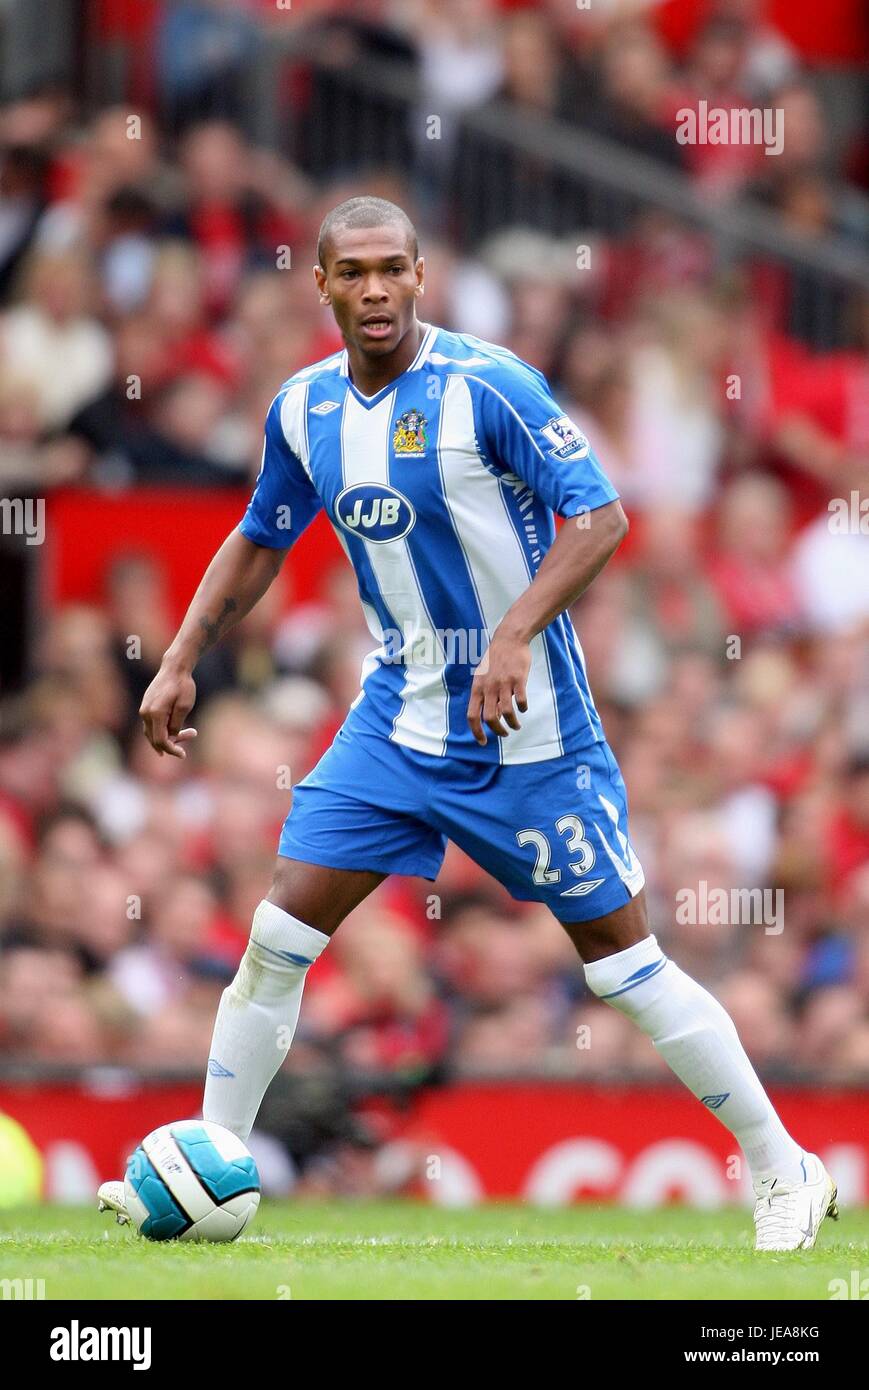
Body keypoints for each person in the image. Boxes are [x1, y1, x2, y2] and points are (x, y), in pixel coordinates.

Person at [99, 196, 836, 1251]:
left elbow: (601, 516)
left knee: (621, 966)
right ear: (320, 285)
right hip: (397, 717)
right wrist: (179, 658)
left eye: (392, 268)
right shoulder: (302, 407)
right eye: (351, 273)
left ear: (420, 275)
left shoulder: (487, 385)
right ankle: (212, 1167)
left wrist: (513, 634)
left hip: (529, 730)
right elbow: (259, 535)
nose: (375, 290)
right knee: (276, 933)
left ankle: (782, 1168)